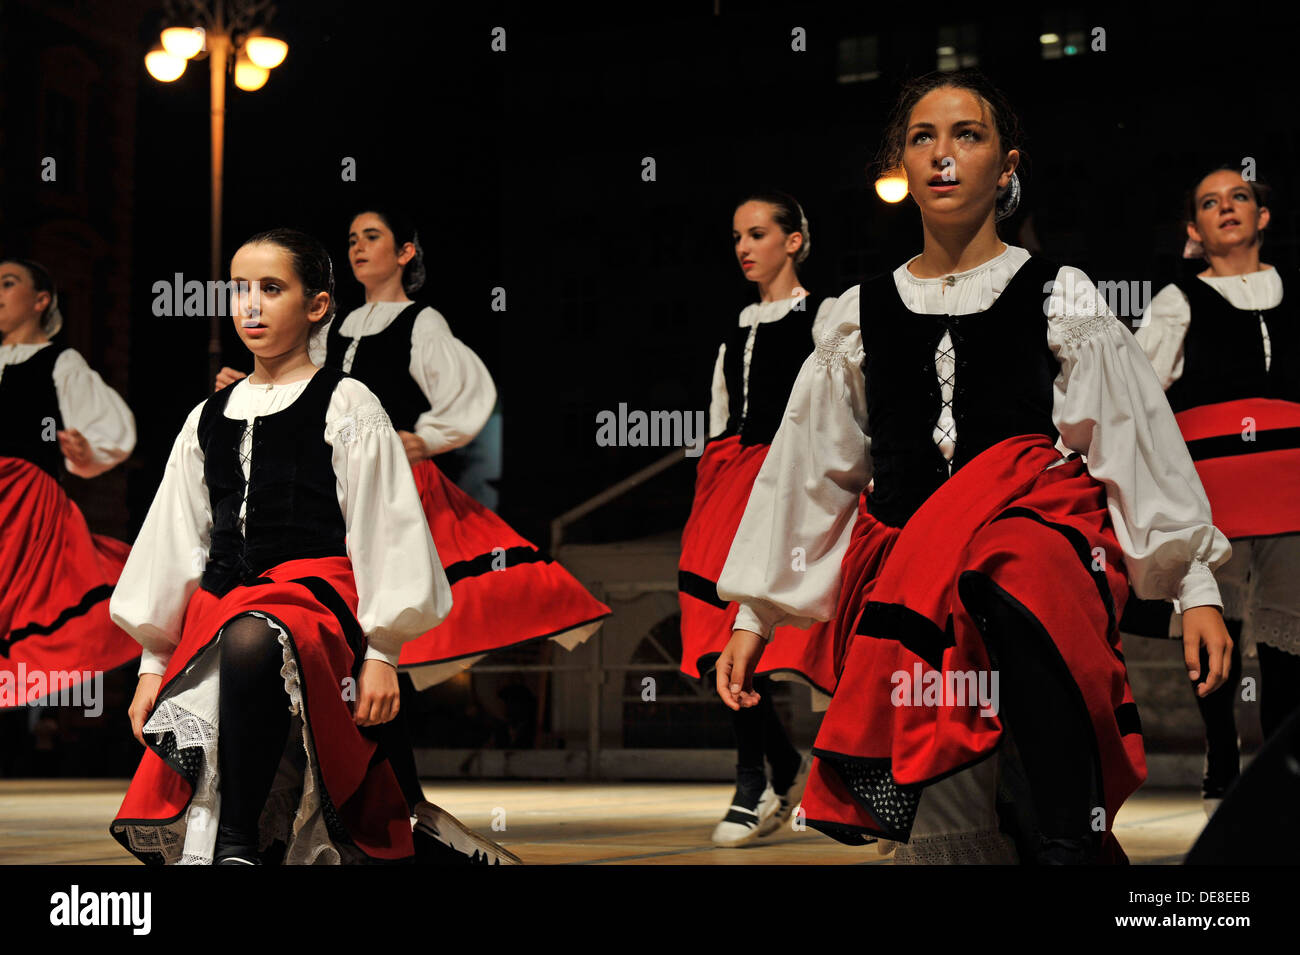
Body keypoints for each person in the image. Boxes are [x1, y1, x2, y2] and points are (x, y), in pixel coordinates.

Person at [714, 71, 1234, 864]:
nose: (943, 155)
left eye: (968, 135)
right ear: (901, 166)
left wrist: (1194, 583)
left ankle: (1069, 835)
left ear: (1007, 164)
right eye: (923, 137)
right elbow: (809, 471)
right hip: (908, 581)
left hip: (1028, 577)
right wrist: (753, 613)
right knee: (947, 825)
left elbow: (1132, 440)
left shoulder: (1059, 297)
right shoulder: (857, 314)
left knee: (1020, 608)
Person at [110, 228, 455, 864]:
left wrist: (383, 651)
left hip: (315, 598)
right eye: (240, 289)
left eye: (272, 289)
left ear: (317, 306)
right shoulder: (206, 417)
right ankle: (243, 842)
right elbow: (175, 538)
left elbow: (385, 525)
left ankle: (237, 844)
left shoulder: (346, 401)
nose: (251, 305)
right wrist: (152, 665)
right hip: (222, 599)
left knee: (253, 633)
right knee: (237, 628)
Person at [1134, 165, 1300, 813]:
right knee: (1214, 624)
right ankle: (1223, 758)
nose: (1227, 206)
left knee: (1291, 637)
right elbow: (1140, 395)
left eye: (1240, 196)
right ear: (1194, 231)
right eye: (1210, 202)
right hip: (1212, 497)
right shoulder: (1178, 301)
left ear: (1261, 217)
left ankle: (1281, 762)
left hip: (1291, 492)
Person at [678, 192, 835, 845]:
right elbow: (721, 413)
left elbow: (836, 403)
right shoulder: (734, 325)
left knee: (765, 623)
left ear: (794, 239)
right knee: (714, 623)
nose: (744, 246)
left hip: (787, 476)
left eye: (758, 233)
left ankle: (766, 776)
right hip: (726, 476)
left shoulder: (823, 317)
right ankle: (767, 767)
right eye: (738, 235)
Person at [1, 257, 139, 705]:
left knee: (32, 602)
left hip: (24, 500)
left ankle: (38, 727)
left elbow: (105, 431)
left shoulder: (60, 360)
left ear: (41, 300)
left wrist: (86, 451)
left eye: (7, 283)